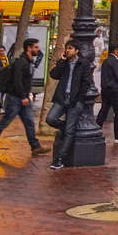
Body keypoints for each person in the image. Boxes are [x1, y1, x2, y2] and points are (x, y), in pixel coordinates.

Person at [0, 37, 46, 158]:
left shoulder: (28, 61)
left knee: (29, 122)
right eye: (36, 47)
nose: (38, 50)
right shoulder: (21, 62)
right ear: (29, 48)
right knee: (5, 121)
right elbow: (17, 81)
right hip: (15, 99)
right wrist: (23, 96)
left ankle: (35, 146)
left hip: (22, 98)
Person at [48, 41, 81, 169]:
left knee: (69, 131)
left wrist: (78, 99)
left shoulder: (82, 64)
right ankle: (66, 127)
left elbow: (86, 83)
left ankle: (60, 159)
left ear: (77, 51)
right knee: (50, 119)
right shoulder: (65, 63)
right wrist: (61, 61)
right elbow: (54, 75)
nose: (67, 51)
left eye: (70, 48)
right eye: (67, 48)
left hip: (75, 100)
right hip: (62, 98)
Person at [95, 47, 118, 141]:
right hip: (115, 90)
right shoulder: (115, 61)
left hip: (106, 89)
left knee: (104, 111)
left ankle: (96, 130)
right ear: (116, 51)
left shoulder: (106, 61)